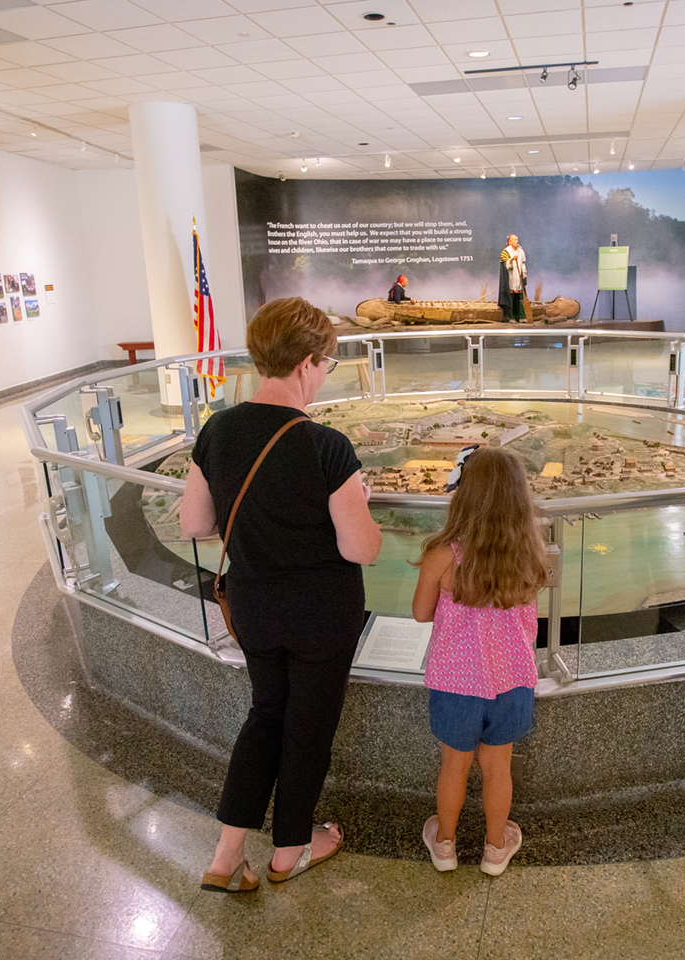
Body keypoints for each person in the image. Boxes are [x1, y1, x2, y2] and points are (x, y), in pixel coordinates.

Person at [181, 296, 383, 893]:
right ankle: (292, 847)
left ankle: (226, 854)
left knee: (266, 714)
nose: (324, 376)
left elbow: (194, 524)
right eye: (327, 364)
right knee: (309, 727)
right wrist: (361, 505)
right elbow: (362, 549)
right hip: (322, 613)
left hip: (255, 607)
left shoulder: (217, 430)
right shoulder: (325, 446)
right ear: (305, 363)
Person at [411, 446, 546, 876]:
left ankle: (446, 845)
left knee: (455, 764)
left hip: (455, 683)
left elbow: (420, 612)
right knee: (498, 767)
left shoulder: (442, 555)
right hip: (511, 681)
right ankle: (494, 848)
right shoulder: (528, 554)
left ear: (463, 495)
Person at [498, 234, 528, 322]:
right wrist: (511, 260)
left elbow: (522, 263)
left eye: (517, 239)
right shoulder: (506, 251)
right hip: (510, 277)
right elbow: (505, 265)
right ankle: (511, 317)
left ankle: (521, 316)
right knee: (510, 296)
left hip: (518, 276)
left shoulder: (520, 251)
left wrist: (524, 272)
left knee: (520, 295)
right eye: (514, 240)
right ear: (510, 241)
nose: (516, 241)